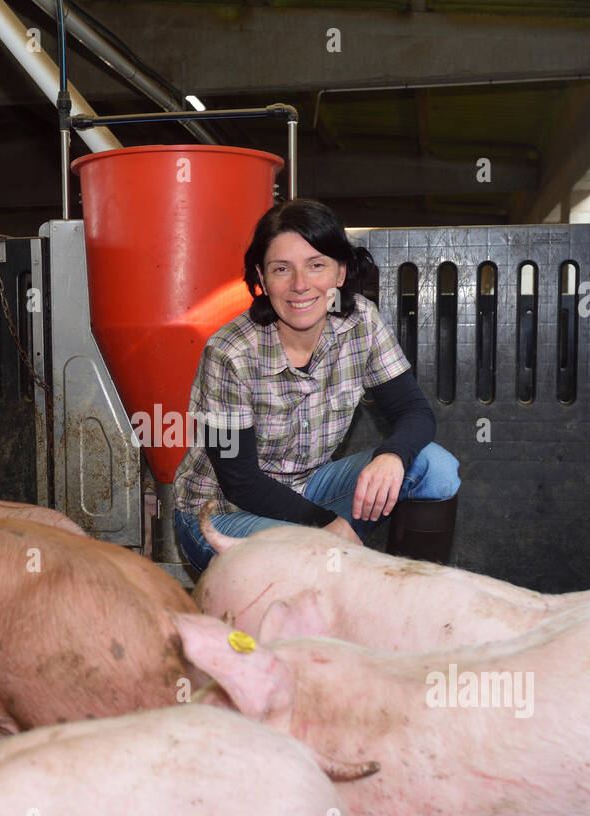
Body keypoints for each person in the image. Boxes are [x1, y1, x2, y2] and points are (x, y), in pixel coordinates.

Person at [172, 197, 460, 572]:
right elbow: (240, 482)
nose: (300, 285)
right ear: (261, 278)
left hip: (309, 491)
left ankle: (410, 595)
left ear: (340, 273)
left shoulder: (360, 323)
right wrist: (326, 526)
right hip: (222, 513)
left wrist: (393, 454)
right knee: (318, 560)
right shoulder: (230, 353)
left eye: (316, 265)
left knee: (434, 467)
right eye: (281, 269)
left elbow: (414, 411)